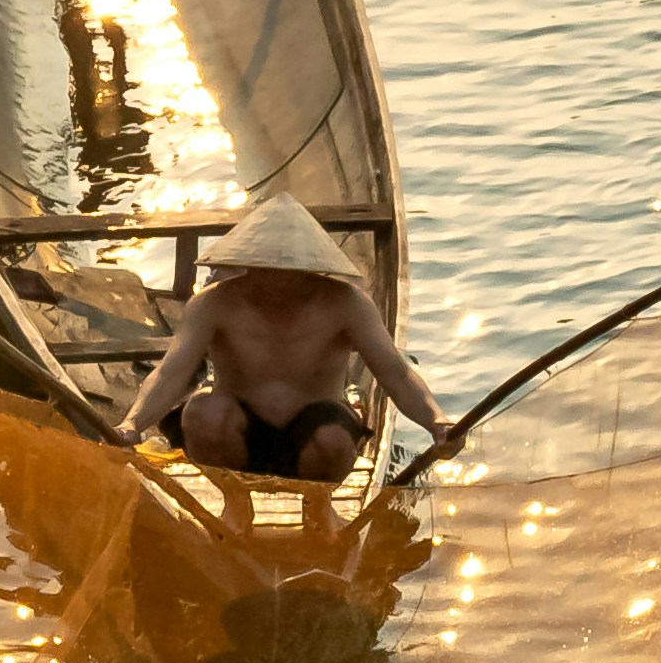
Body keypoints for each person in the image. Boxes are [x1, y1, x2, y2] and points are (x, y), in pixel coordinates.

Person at [122, 196, 449, 493]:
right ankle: (236, 503)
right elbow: (170, 373)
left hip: (313, 429)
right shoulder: (213, 303)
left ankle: (318, 510)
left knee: (333, 438)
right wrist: (133, 423)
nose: (272, 279)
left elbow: (396, 373)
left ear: (308, 270)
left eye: (284, 271)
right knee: (203, 413)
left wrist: (436, 420)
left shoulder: (348, 304)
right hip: (239, 430)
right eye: (261, 268)